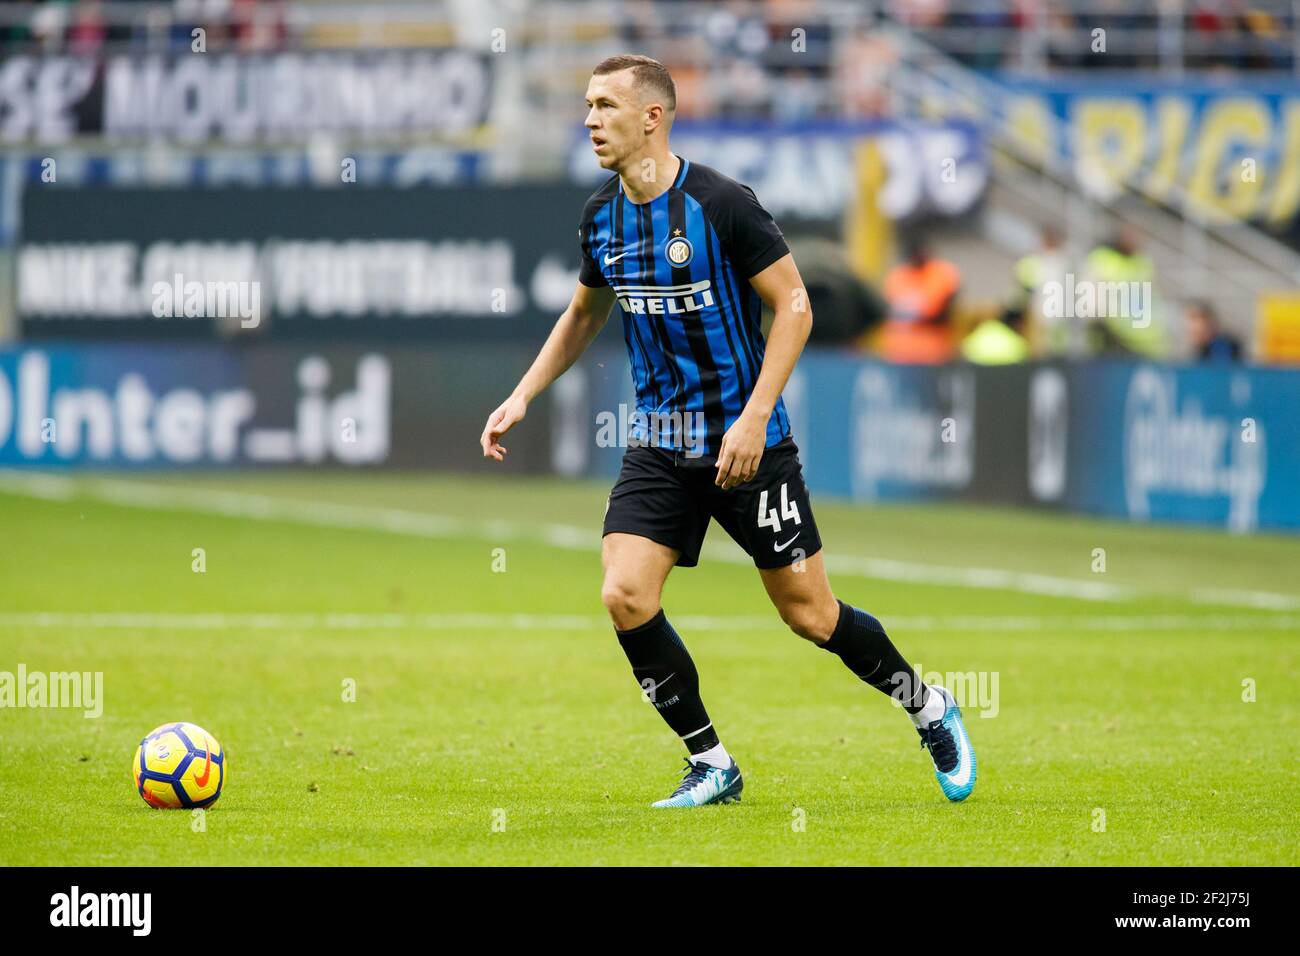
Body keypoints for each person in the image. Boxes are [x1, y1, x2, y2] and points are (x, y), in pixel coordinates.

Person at [480, 55, 976, 808]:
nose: (589, 119)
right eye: (587, 104)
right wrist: (523, 394)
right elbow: (584, 312)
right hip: (660, 441)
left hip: (752, 445)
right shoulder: (601, 216)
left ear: (652, 117)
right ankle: (712, 763)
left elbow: (797, 306)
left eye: (605, 105)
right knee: (625, 595)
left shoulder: (720, 204)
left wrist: (751, 419)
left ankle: (928, 706)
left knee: (810, 614)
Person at [879, 234, 961, 364]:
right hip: (899, 352)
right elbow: (886, 310)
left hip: (934, 352)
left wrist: (913, 315)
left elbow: (943, 312)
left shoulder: (942, 273)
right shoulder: (896, 277)